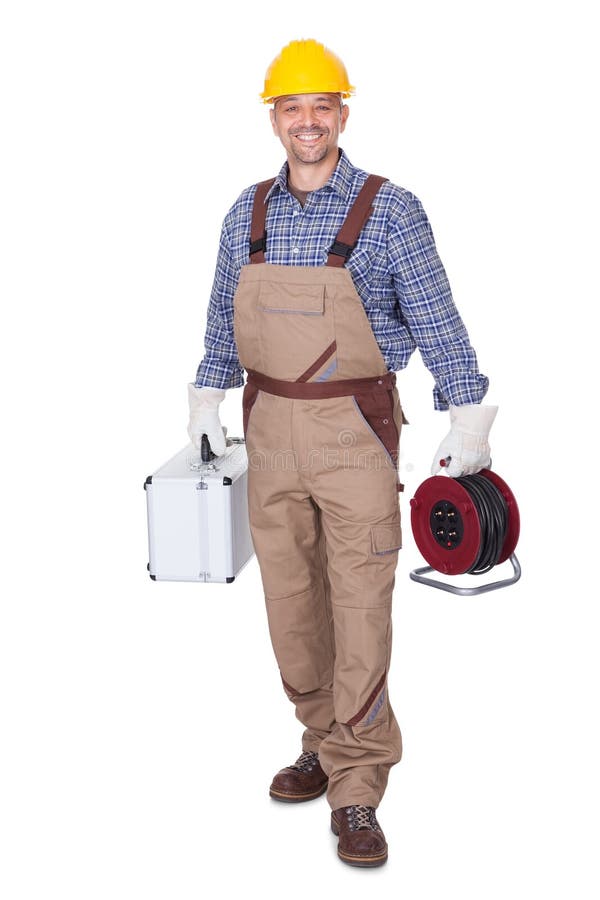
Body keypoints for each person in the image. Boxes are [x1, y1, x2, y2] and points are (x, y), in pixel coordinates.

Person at [187, 38, 497, 868]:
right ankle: (321, 739)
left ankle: (358, 786)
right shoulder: (246, 212)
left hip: (354, 436)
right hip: (269, 434)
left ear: (343, 114)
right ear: (274, 119)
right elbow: (224, 314)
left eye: (322, 105)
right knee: (291, 609)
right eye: (293, 107)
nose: (308, 121)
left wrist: (467, 411)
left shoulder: (388, 209)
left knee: (360, 606)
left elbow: (435, 313)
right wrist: (206, 396)